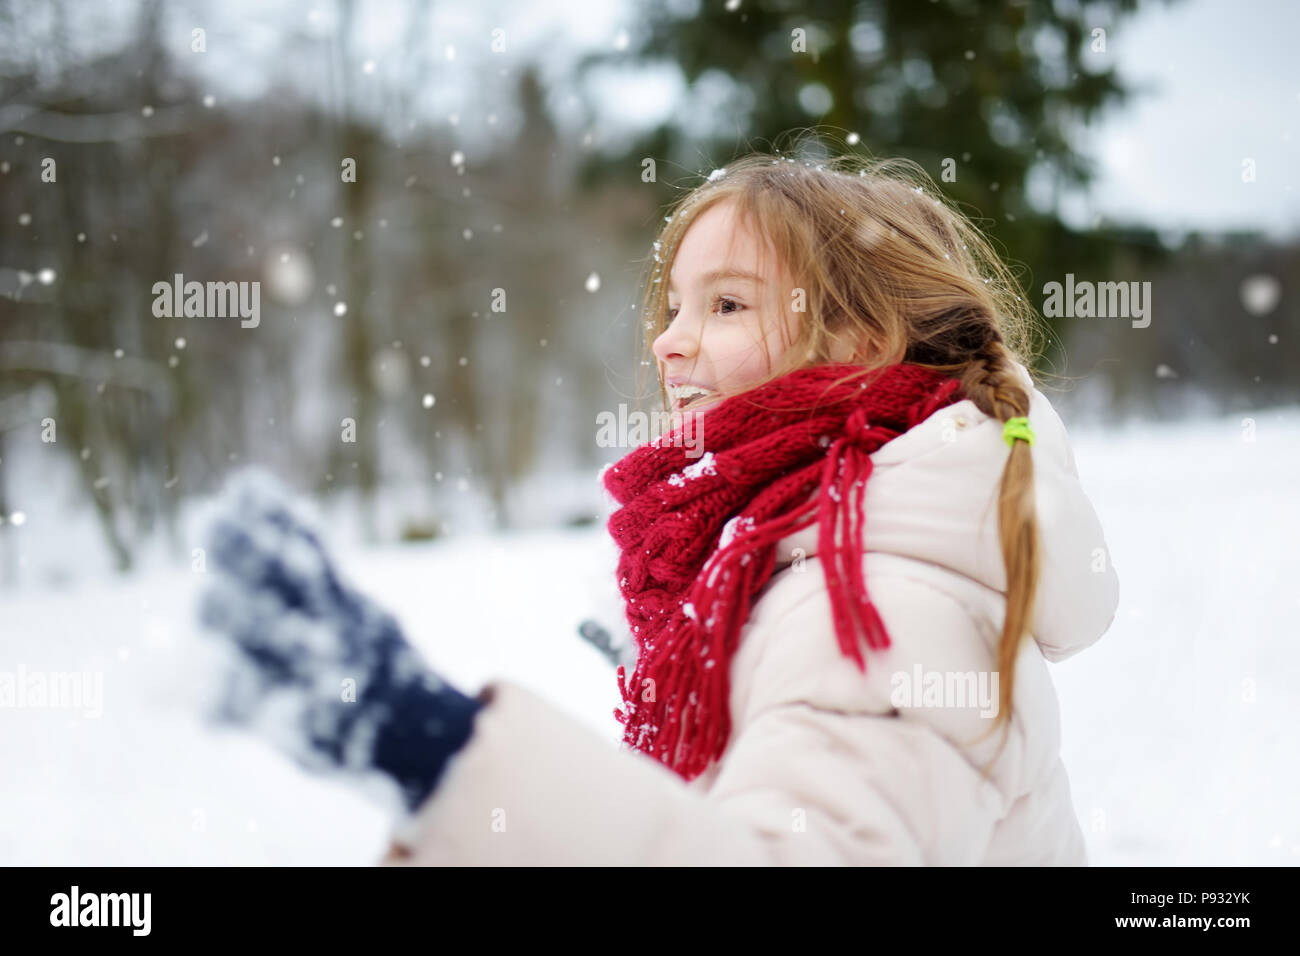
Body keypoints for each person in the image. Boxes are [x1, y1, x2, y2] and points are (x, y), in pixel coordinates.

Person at [198, 146, 1119, 865]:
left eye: (725, 305)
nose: (670, 344)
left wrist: (436, 750)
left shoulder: (879, 602)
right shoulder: (808, 552)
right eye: (674, 306)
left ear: (861, 341)